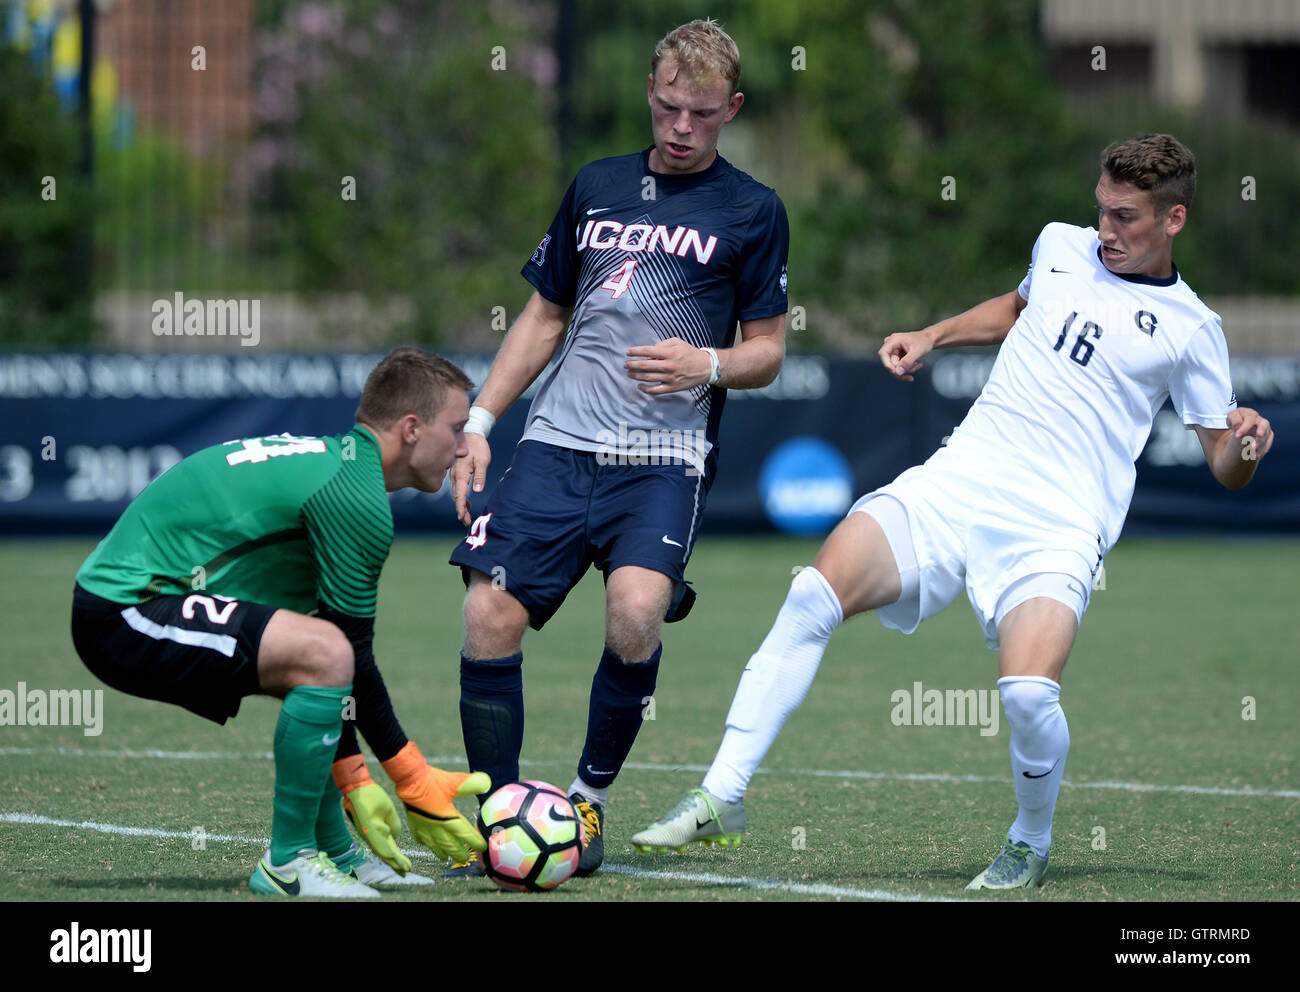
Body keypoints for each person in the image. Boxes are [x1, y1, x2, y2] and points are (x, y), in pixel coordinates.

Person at [631, 133, 1274, 890]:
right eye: (1101, 209)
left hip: (1059, 523)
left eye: (1127, 218)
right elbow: (1018, 305)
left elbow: (1222, 463)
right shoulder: (1061, 244)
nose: (1106, 231)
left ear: (1174, 220)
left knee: (1030, 695)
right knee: (812, 594)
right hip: (963, 477)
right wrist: (932, 334)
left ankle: (1030, 841)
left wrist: (1248, 447)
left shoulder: (1192, 327)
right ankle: (722, 796)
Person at [446, 18, 789, 878]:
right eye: (669, 106)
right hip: (559, 445)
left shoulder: (753, 210)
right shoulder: (596, 185)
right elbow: (543, 316)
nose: (681, 127)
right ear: (650, 91)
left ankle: (586, 804)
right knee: (489, 612)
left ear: (732, 109)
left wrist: (706, 361)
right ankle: (499, 813)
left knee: (637, 612)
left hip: (663, 461)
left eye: (702, 114)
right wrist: (482, 423)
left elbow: (769, 352)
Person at [71, 347, 490, 898]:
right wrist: (408, 775)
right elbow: (349, 653)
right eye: (457, 429)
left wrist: (359, 776)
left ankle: (336, 851)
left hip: (144, 596)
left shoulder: (342, 464)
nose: (464, 447)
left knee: (315, 656)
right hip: (123, 610)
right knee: (325, 653)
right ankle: (287, 864)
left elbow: (330, 663)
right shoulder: (355, 496)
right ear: (411, 428)